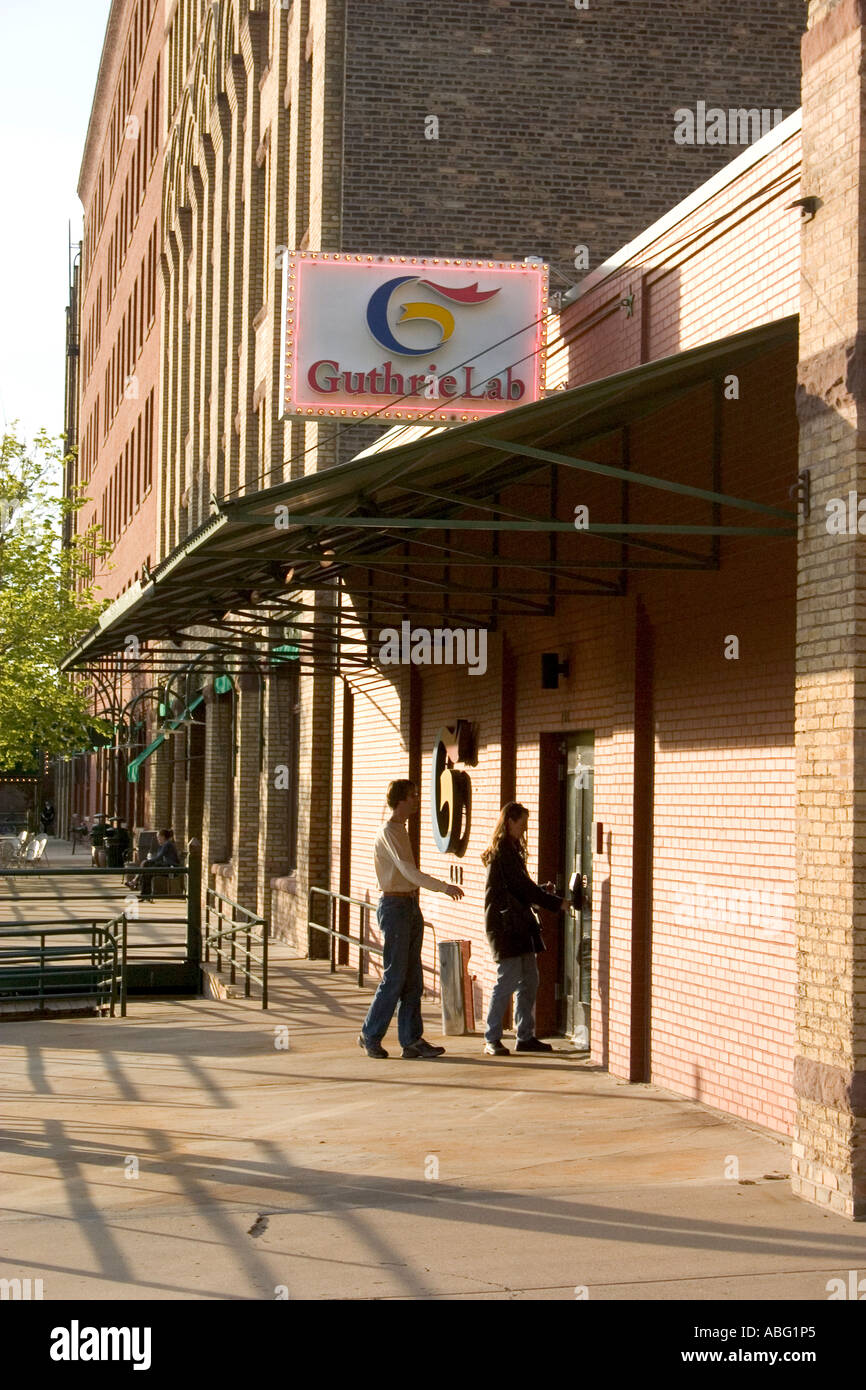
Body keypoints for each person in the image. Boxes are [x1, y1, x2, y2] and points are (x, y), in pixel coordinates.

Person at [358, 779, 464, 1060]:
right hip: (394, 906)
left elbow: (410, 873)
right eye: (413, 796)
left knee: (412, 979)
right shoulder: (388, 832)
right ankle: (371, 1034)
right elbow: (408, 870)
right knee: (394, 976)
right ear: (401, 800)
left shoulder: (401, 831)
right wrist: (443, 886)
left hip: (408, 905)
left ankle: (411, 1040)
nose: (417, 801)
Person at [481, 802, 567, 1056]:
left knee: (530, 979)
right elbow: (521, 888)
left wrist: (540, 891)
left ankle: (525, 1035)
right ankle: (492, 1037)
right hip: (505, 926)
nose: (525, 828)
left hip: (519, 926)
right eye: (522, 823)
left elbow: (521, 888)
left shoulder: (513, 850)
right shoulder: (502, 853)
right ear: (509, 822)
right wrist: (556, 903)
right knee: (507, 980)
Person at [139, 829, 180, 901]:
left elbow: (159, 857)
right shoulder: (163, 845)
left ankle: (144, 895)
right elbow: (159, 858)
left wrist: (148, 861)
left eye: (158, 838)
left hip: (171, 869)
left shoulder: (167, 844)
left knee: (146, 868)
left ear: (163, 837)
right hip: (166, 867)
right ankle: (145, 895)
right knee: (146, 871)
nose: (158, 840)